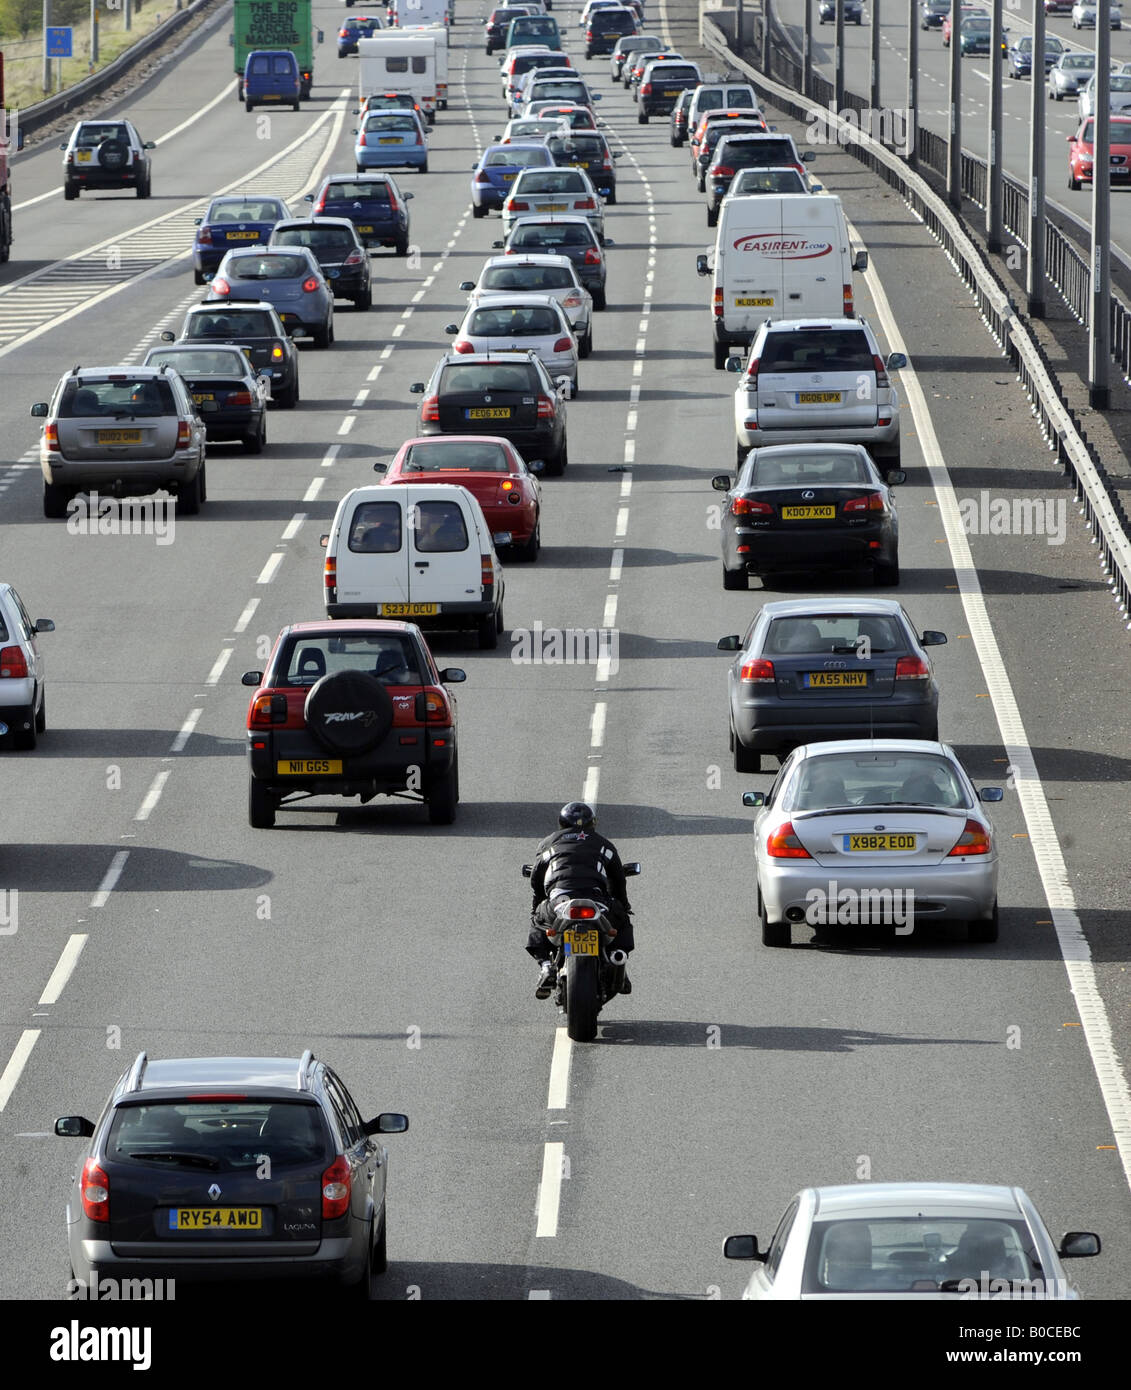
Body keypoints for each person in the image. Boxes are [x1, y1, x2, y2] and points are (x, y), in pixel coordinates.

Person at [526, 801, 633, 999]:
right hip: (596, 900)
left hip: (559, 900)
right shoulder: (603, 844)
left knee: (537, 921)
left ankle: (546, 965)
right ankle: (618, 958)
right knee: (623, 920)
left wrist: (538, 904)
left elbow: (536, 877)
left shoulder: (548, 843)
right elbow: (618, 878)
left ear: (561, 823)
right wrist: (624, 905)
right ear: (593, 824)